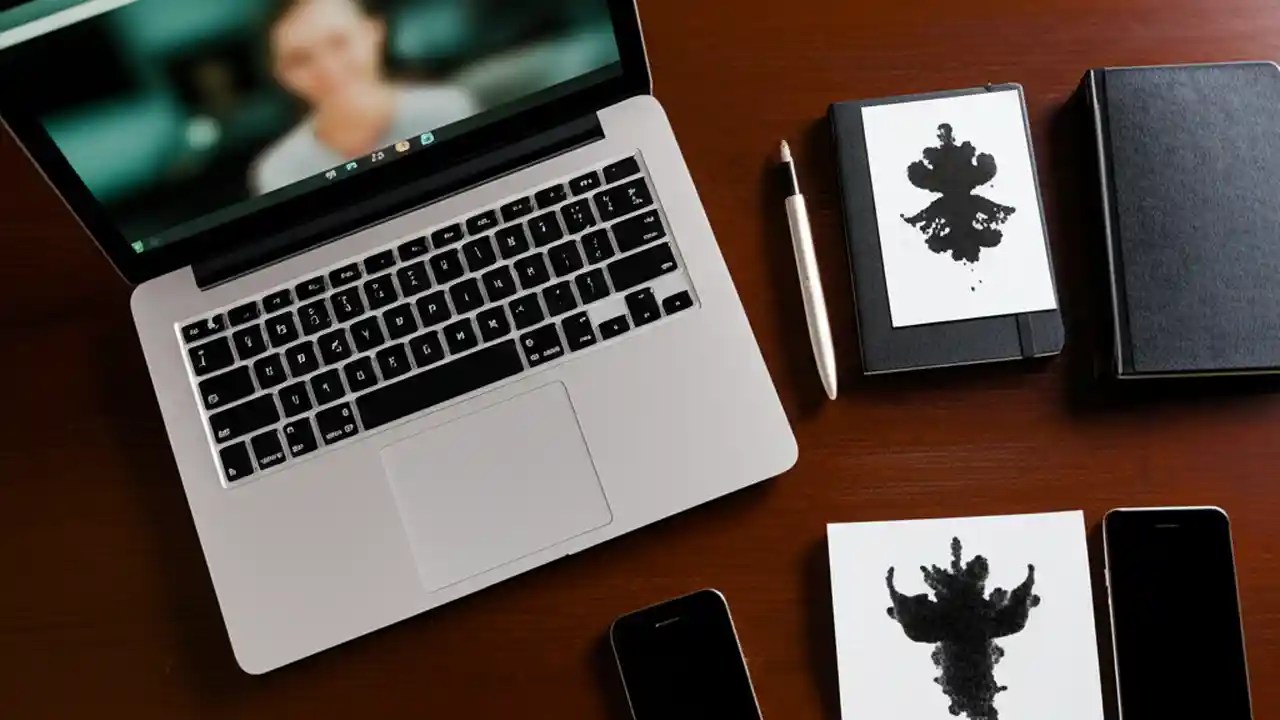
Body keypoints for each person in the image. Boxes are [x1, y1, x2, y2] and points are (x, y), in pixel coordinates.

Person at [252, 0, 478, 195]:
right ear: (281, 75)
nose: (328, 68)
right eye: (300, 60)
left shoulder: (445, 108)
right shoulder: (280, 171)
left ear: (374, 32)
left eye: (339, 43)